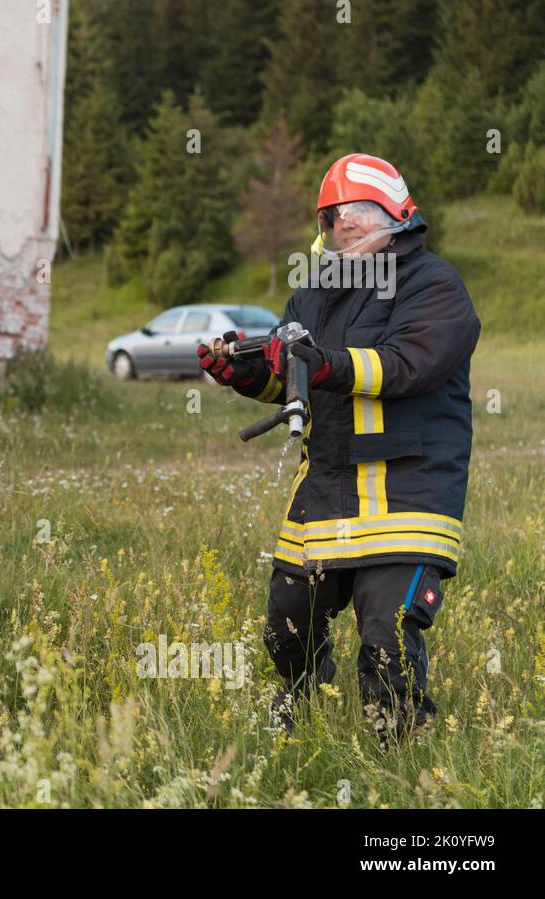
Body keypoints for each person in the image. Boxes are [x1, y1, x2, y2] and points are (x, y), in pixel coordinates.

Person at [197, 153, 481, 745]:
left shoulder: (434, 284)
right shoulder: (314, 293)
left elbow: (409, 365)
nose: (339, 225)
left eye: (352, 212)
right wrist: (245, 373)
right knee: (284, 631)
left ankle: (398, 755)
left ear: (392, 212)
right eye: (330, 216)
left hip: (410, 493)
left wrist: (324, 362)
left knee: (386, 639)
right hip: (324, 492)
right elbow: (294, 379)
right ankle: (299, 703)